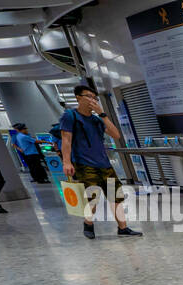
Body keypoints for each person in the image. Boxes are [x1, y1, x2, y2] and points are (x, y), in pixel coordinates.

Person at [60, 85, 141, 238]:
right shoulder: (70, 116)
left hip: (105, 164)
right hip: (85, 165)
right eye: (88, 96)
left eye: (94, 97)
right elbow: (66, 140)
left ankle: (122, 228)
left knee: (115, 197)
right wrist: (66, 162)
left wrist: (102, 114)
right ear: (78, 97)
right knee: (93, 200)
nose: (92, 100)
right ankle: (88, 223)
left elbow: (116, 134)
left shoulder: (97, 119)